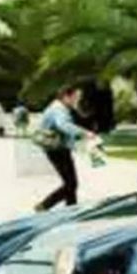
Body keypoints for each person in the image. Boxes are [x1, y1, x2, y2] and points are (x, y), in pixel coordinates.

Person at [35, 84, 98, 212]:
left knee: (71, 183)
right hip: (56, 150)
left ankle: (71, 210)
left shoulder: (60, 107)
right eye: (76, 97)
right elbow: (63, 125)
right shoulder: (59, 109)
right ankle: (44, 205)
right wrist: (85, 133)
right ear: (66, 96)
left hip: (58, 148)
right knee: (71, 184)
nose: (77, 100)